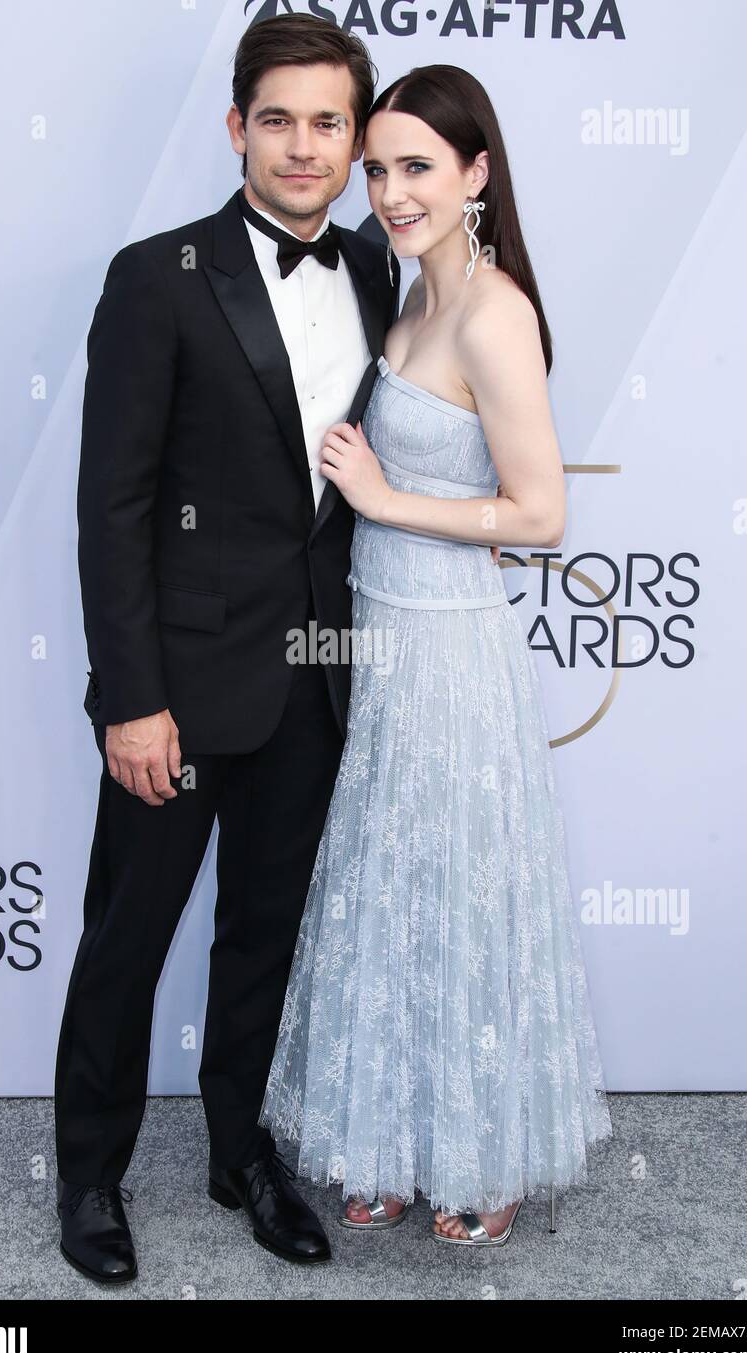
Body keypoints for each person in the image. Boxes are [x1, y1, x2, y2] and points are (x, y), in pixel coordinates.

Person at [53, 13, 399, 1279]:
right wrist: (132, 698)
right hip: (181, 694)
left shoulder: (374, 270)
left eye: (327, 123)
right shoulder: (159, 274)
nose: (302, 147)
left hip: (314, 681)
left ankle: (239, 1150)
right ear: (235, 126)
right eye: (278, 119)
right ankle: (88, 1177)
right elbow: (114, 505)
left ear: (353, 137)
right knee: (128, 938)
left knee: (264, 931)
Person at [260, 64, 613, 1247]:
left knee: (461, 896)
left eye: (418, 166)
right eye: (378, 168)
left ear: (476, 173)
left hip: (454, 658)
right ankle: (402, 1141)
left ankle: (487, 1158)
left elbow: (540, 515)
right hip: (383, 646)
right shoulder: (405, 296)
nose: (391, 189)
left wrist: (383, 494)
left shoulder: (492, 311)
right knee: (392, 894)